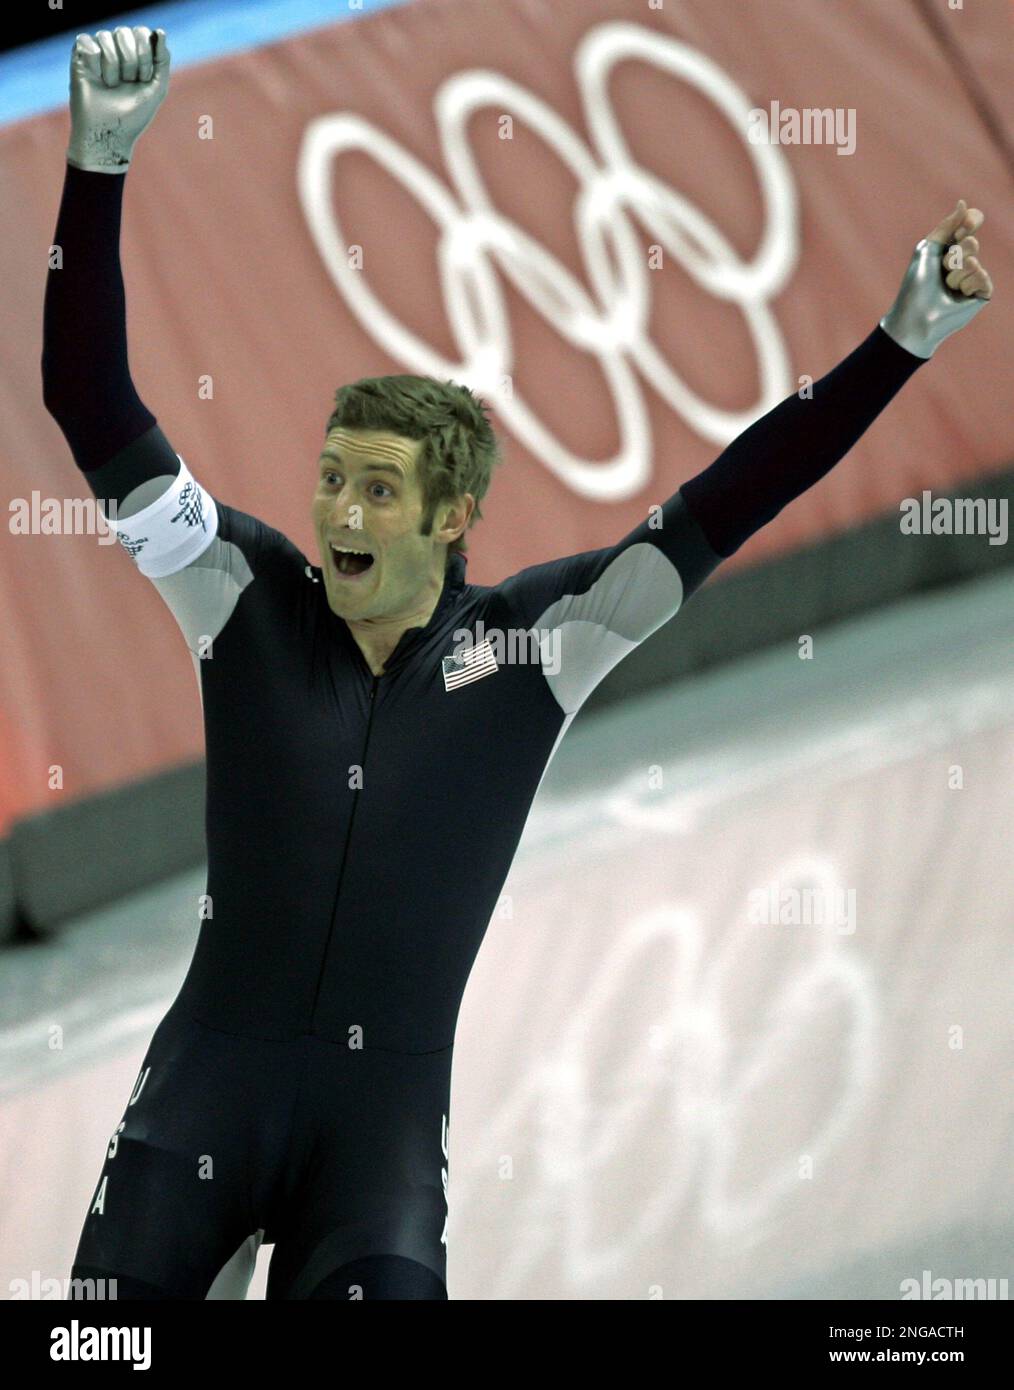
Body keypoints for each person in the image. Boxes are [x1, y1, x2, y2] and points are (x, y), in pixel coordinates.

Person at [43, 27, 993, 1300]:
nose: (339, 516)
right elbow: (91, 402)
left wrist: (902, 342)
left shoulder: (544, 645)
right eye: (329, 479)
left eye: (379, 491)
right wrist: (100, 159)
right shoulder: (238, 594)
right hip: (197, 1116)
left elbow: (731, 496)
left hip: (370, 1158)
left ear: (449, 516)